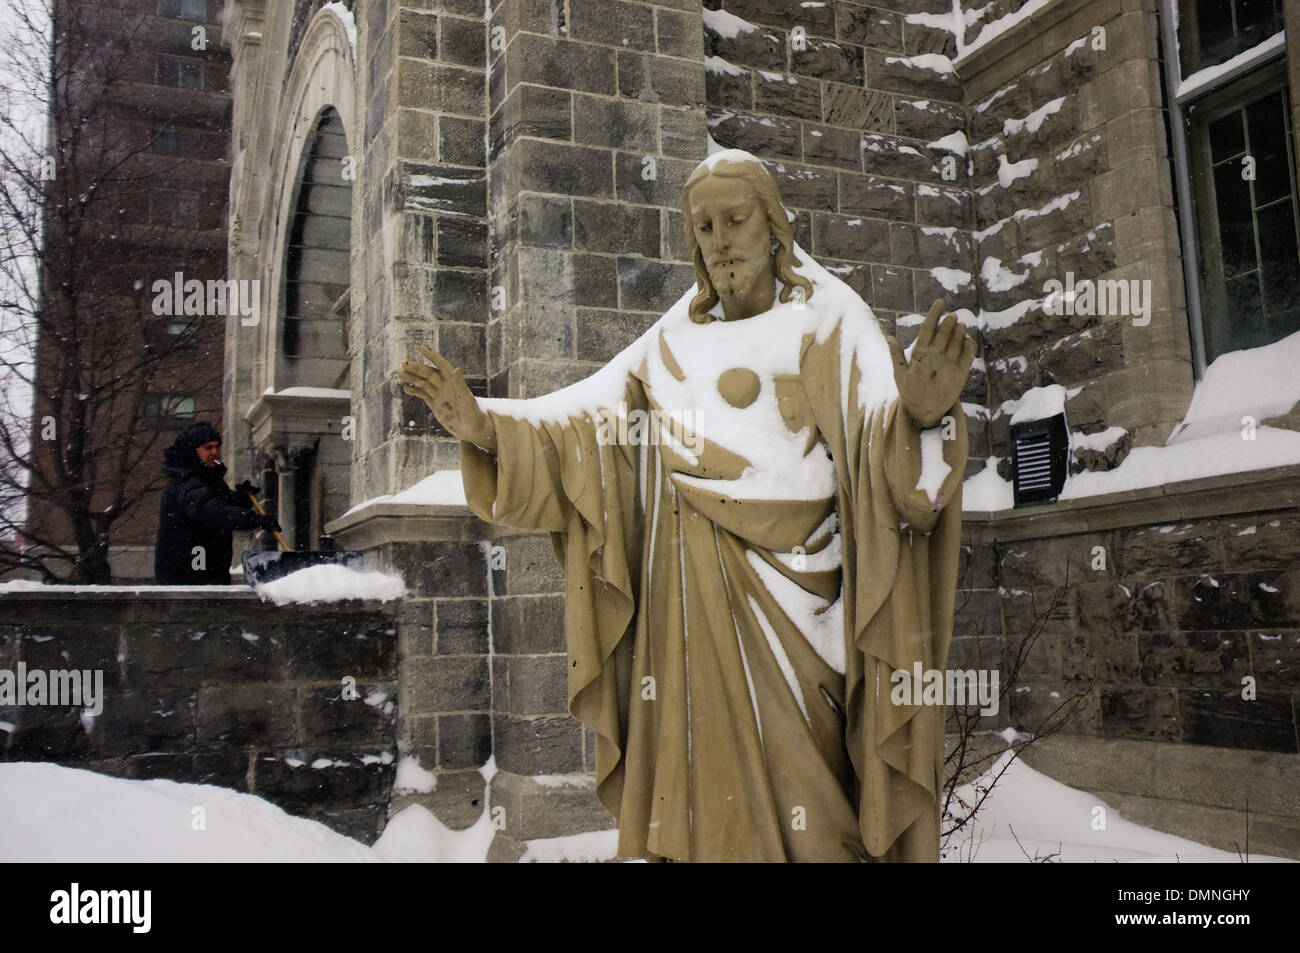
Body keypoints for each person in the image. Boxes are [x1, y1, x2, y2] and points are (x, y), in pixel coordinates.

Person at [400, 150, 974, 862]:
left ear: (774, 229)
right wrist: (485, 427)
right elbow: (582, 425)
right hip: (689, 633)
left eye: (736, 220)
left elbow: (890, 470)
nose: (721, 239)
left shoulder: (830, 323)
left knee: (820, 822)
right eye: (704, 226)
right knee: (705, 805)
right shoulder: (670, 345)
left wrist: (919, 417)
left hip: (804, 628)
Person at [154, 421, 280, 585]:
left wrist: (241, 499)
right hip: (189, 574)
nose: (215, 452)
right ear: (193, 451)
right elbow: (212, 511)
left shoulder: (207, 479)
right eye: (208, 447)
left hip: (206, 570)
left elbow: (220, 505)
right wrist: (252, 519)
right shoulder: (185, 481)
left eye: (217, 447)